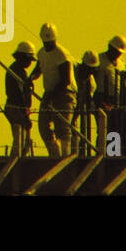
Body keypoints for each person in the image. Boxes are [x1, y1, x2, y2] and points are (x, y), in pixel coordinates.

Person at [31, 23, 76, 157]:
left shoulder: (62, 54)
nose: (47, 45)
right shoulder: (41, 53)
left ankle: (65, 156)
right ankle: (54, 154)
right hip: (49, 91)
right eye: (45, 42)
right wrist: (30, 79)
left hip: (64, 93)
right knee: (44, 126)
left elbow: (66, 80)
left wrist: (52, 95)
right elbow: (38, 69)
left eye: (50, 42)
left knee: (63, 127)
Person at [4, 41, 35, 155]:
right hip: (16, 108)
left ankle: (17, 160)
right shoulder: (16, 71)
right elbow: (18, 94)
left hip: (18, 108)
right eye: (28, 60)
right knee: (20, 141)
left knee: (24, 143)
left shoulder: (19, 71)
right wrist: (25, 114)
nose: (30, 63)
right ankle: (14, 162)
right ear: (22, 57)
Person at [96, 35, 126, 149]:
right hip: (102, 99)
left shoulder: (121, 63)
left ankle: (113, 154)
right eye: (116, 51)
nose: (118, 54)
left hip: (117, 101)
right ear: (109, 47)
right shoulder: (99, 60)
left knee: (116, 130)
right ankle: (102, 152)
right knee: (103, 129)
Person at [75, 50, 99, 155]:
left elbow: (88, 100)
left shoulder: (91, 83)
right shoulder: (73, 72)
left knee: (80, 130)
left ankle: (82, 149)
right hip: (71, 103)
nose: (89, 72)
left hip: (81, 105)